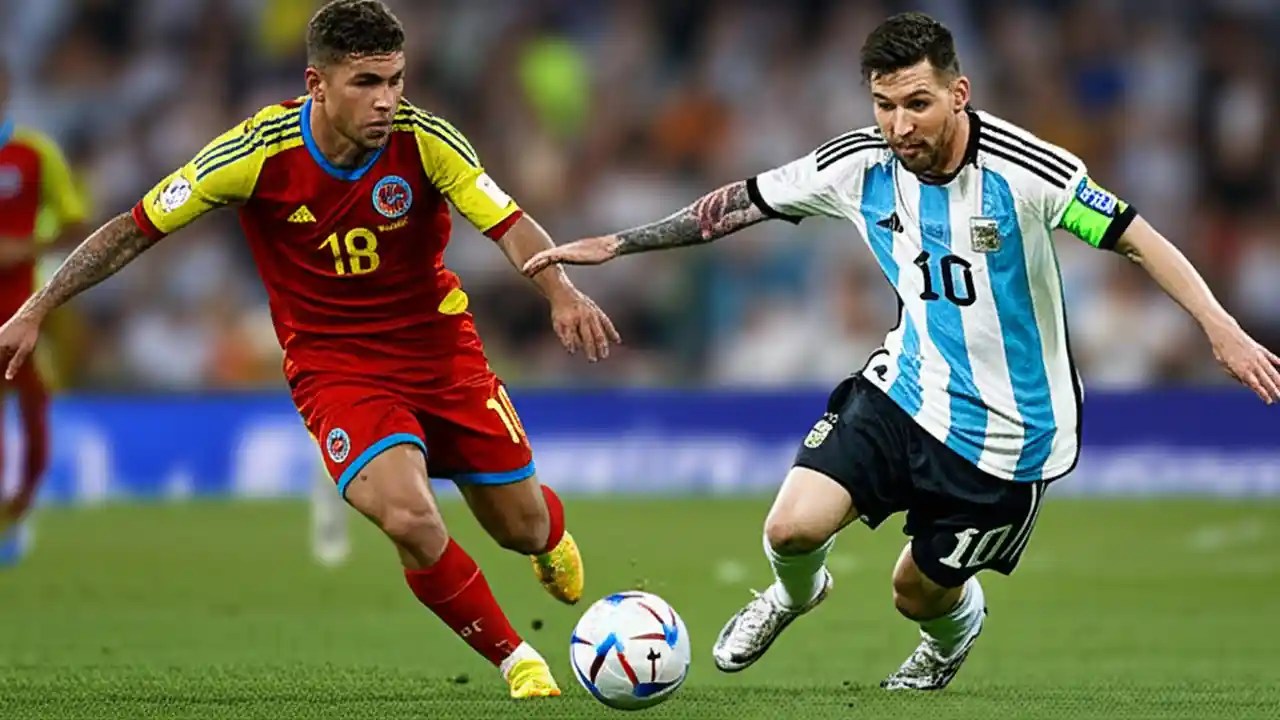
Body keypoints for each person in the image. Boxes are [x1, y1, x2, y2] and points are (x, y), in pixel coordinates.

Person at [522, 11, 1280, 691]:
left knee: (914, 594)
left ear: (959, 93)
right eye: (884, 105)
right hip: (907, 388)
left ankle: (952, 634)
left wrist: (1219, 326)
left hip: (1010, 434)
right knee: (790, 529)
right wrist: (620, 244)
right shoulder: (858, 165)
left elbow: (1135, 237)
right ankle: (792, 594)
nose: (898, 125)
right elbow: (739, 204)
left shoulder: (1028, 172)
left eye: (917, 103)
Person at [0, 0, 621, 699]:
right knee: (410, 516)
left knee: (523, 526)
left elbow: (509, 224)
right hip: (337, 369)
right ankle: (518, 660)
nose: (386, 100)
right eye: (366, 82)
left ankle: (547, 540)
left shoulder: (427, 141)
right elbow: (133, 228)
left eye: (395, 80)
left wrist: (561, 292)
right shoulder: (255, 152)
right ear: (316, 84)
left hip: (442, 355)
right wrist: (36, 307)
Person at [0, 57, 89, 562]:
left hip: (25, 306)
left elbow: (75, 222)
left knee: (35, 411)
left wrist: (26, 247)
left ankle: (20, 507)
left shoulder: (35, 154)